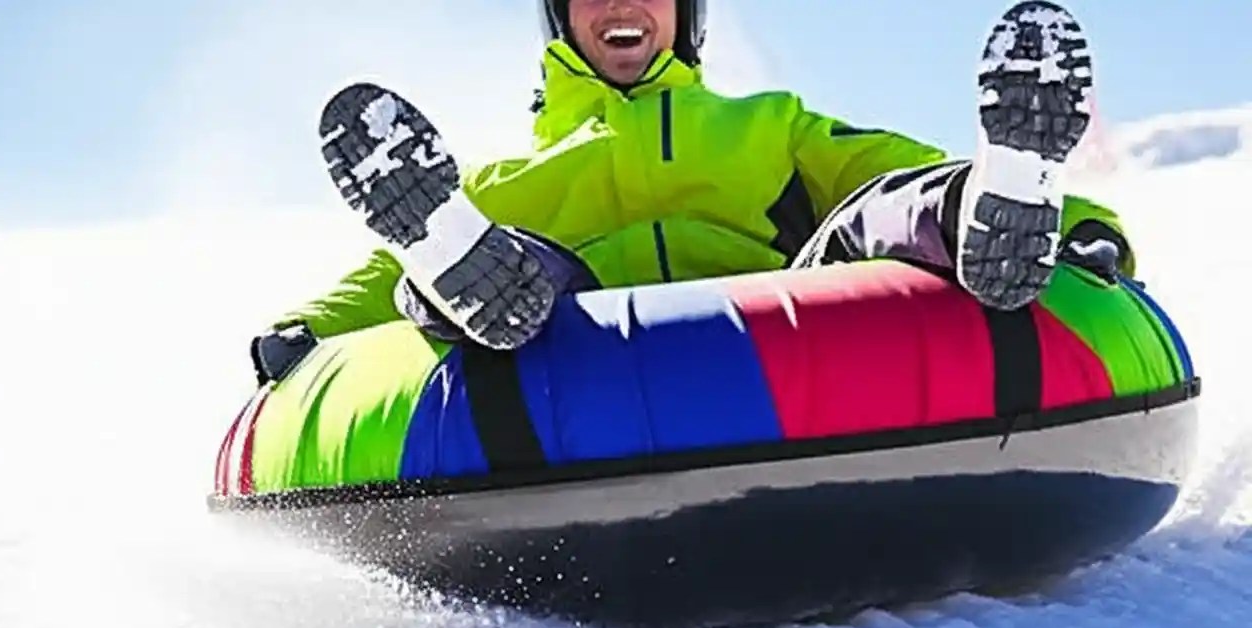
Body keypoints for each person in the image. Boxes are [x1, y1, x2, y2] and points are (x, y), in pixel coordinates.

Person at [252, 0, 1135, 384]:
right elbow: (374, 273)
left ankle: (1004, 212)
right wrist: (307, 332)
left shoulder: (769, 123)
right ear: (563, 21)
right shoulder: (508, 182)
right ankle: (459, 281)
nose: (621, 7)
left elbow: (897, 170)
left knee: (883, 209)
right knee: (508, 266)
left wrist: (1086, 225)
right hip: (579, 335)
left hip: (794, 314)